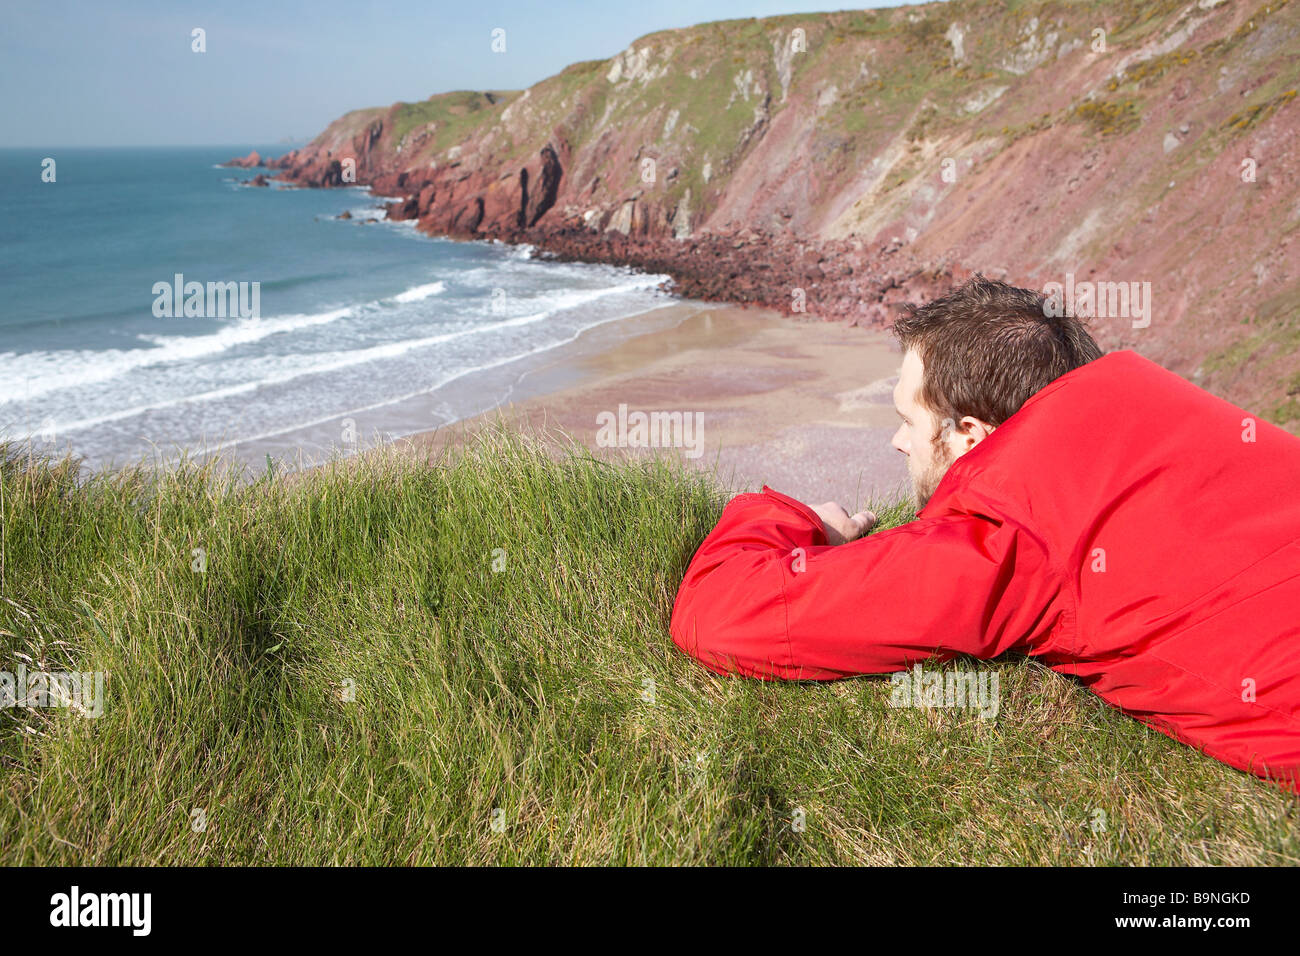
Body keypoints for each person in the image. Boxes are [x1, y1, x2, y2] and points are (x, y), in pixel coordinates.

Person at [670, 275, 1300, 789]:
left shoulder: (1012, 530)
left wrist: (796, 523)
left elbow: (722, 617)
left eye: (908, 420)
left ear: (968, 434)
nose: (897, 441)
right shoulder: (1162, 406)